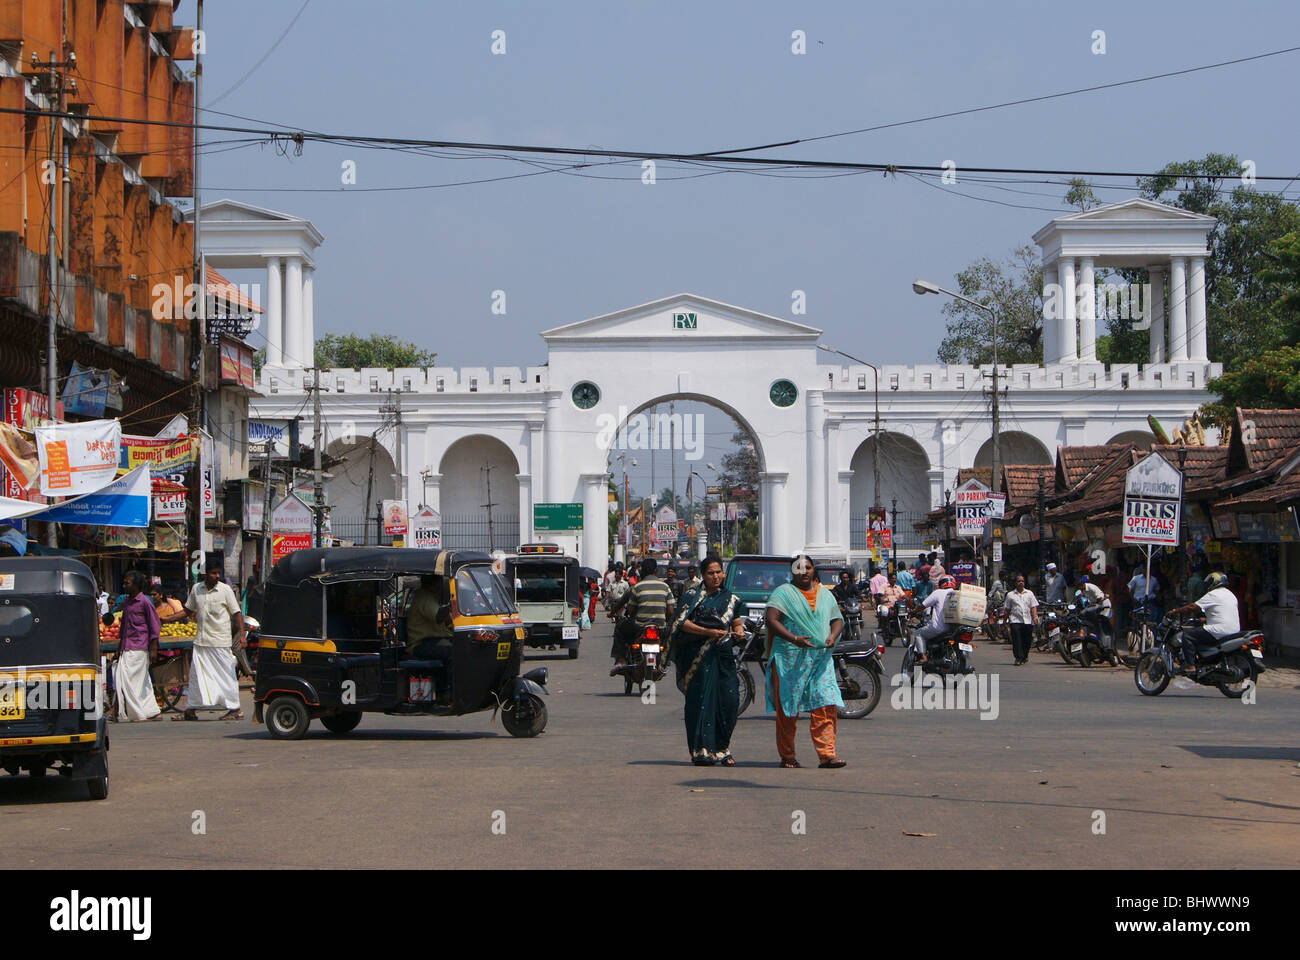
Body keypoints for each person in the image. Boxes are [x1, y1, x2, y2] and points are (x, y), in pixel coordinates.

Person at [763, 555, 845, 769]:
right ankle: (787, 756)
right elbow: (771, 619)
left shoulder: (825, 595)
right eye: (799, 568)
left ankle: (827, 755)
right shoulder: (783, 593)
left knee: (825, 704)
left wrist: (832, 636)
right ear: (793, 571)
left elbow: (837, 620)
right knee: (788, 710)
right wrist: (793, 638)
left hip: (820, 659)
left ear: (812, 570)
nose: (804, 571)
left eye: (808, 567)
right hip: (789, 659)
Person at [670, 556, 744, 766]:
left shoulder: (730, 598)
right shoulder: (692, 596)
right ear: (703, 575)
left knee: (729, 702)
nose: (716, 577)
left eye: (719, 572)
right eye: (711, 573)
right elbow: (680, 623)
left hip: (723, 656)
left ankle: (722, 749)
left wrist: (738, 631)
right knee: (701, 701)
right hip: (698, 657)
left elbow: (735, 620)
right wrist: (707, 631)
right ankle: (702, 749)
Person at [178, 560, 245, 721]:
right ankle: (191, 709)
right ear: (204, 574)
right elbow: (188, 610)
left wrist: (242, 635)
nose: (216, 576)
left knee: (226, 675)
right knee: (196, 676)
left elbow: (236, 613)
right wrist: (167, 619)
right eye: (213, 573)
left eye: (218, 573)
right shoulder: (196, 589)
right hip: (202, 641)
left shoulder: (225, 590)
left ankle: (235, 709)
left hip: (220, 642)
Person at [608, 557, 674, 675]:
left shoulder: (637, 587)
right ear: (655, 571)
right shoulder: (665, 587)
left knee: (619, 628)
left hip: (640, 627)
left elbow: (631, 609)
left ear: (642, 571)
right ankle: (664, 661)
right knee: (670, 636)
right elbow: (670, 611)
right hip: (660, 627)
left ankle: (621, 660)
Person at [111, 571, 162, 722]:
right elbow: (124, 627)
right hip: (127, 646)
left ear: (136, 585)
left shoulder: (145, 602)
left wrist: (154, 648)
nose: (124, 585)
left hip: (139, 646)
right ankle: (152, 711)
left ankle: (132, 712)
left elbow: (154, 625)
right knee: (139, 680)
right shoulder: (126, 602)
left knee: (128, 680)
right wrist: (119, 648)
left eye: (128, 583)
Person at [1166, 571, 1240, 674]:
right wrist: (1204, 620)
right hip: (1234, 630)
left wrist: (1175, 611)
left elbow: (1193, 607)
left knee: (1188, 635)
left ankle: (1191, 666)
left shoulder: (1214, 594)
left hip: (1220, 630)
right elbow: (1222, 613)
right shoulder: (1230, 594)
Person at [914, 574, 957, 664]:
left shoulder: (938, 593)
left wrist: (913, 612)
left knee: (918, 633)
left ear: (941, 584)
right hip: (953, 630)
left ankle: (923, 657)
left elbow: (923, 605)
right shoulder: (958, 594)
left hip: (938, 628)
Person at [1002, 574, 1039, 665]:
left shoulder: (1029, 594)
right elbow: (1007, 609)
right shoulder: (1010, 595)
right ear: (1015, 583)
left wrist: (1034, 617)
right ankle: (1018, 658)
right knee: (1017, 640)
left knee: (1027, 640)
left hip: (1027, 620)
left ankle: (1025, 656)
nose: (1021, 583)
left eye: (1022, 581)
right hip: (1015, 620)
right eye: (1019, 581)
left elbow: (1033, 606)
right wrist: (1004, 621)